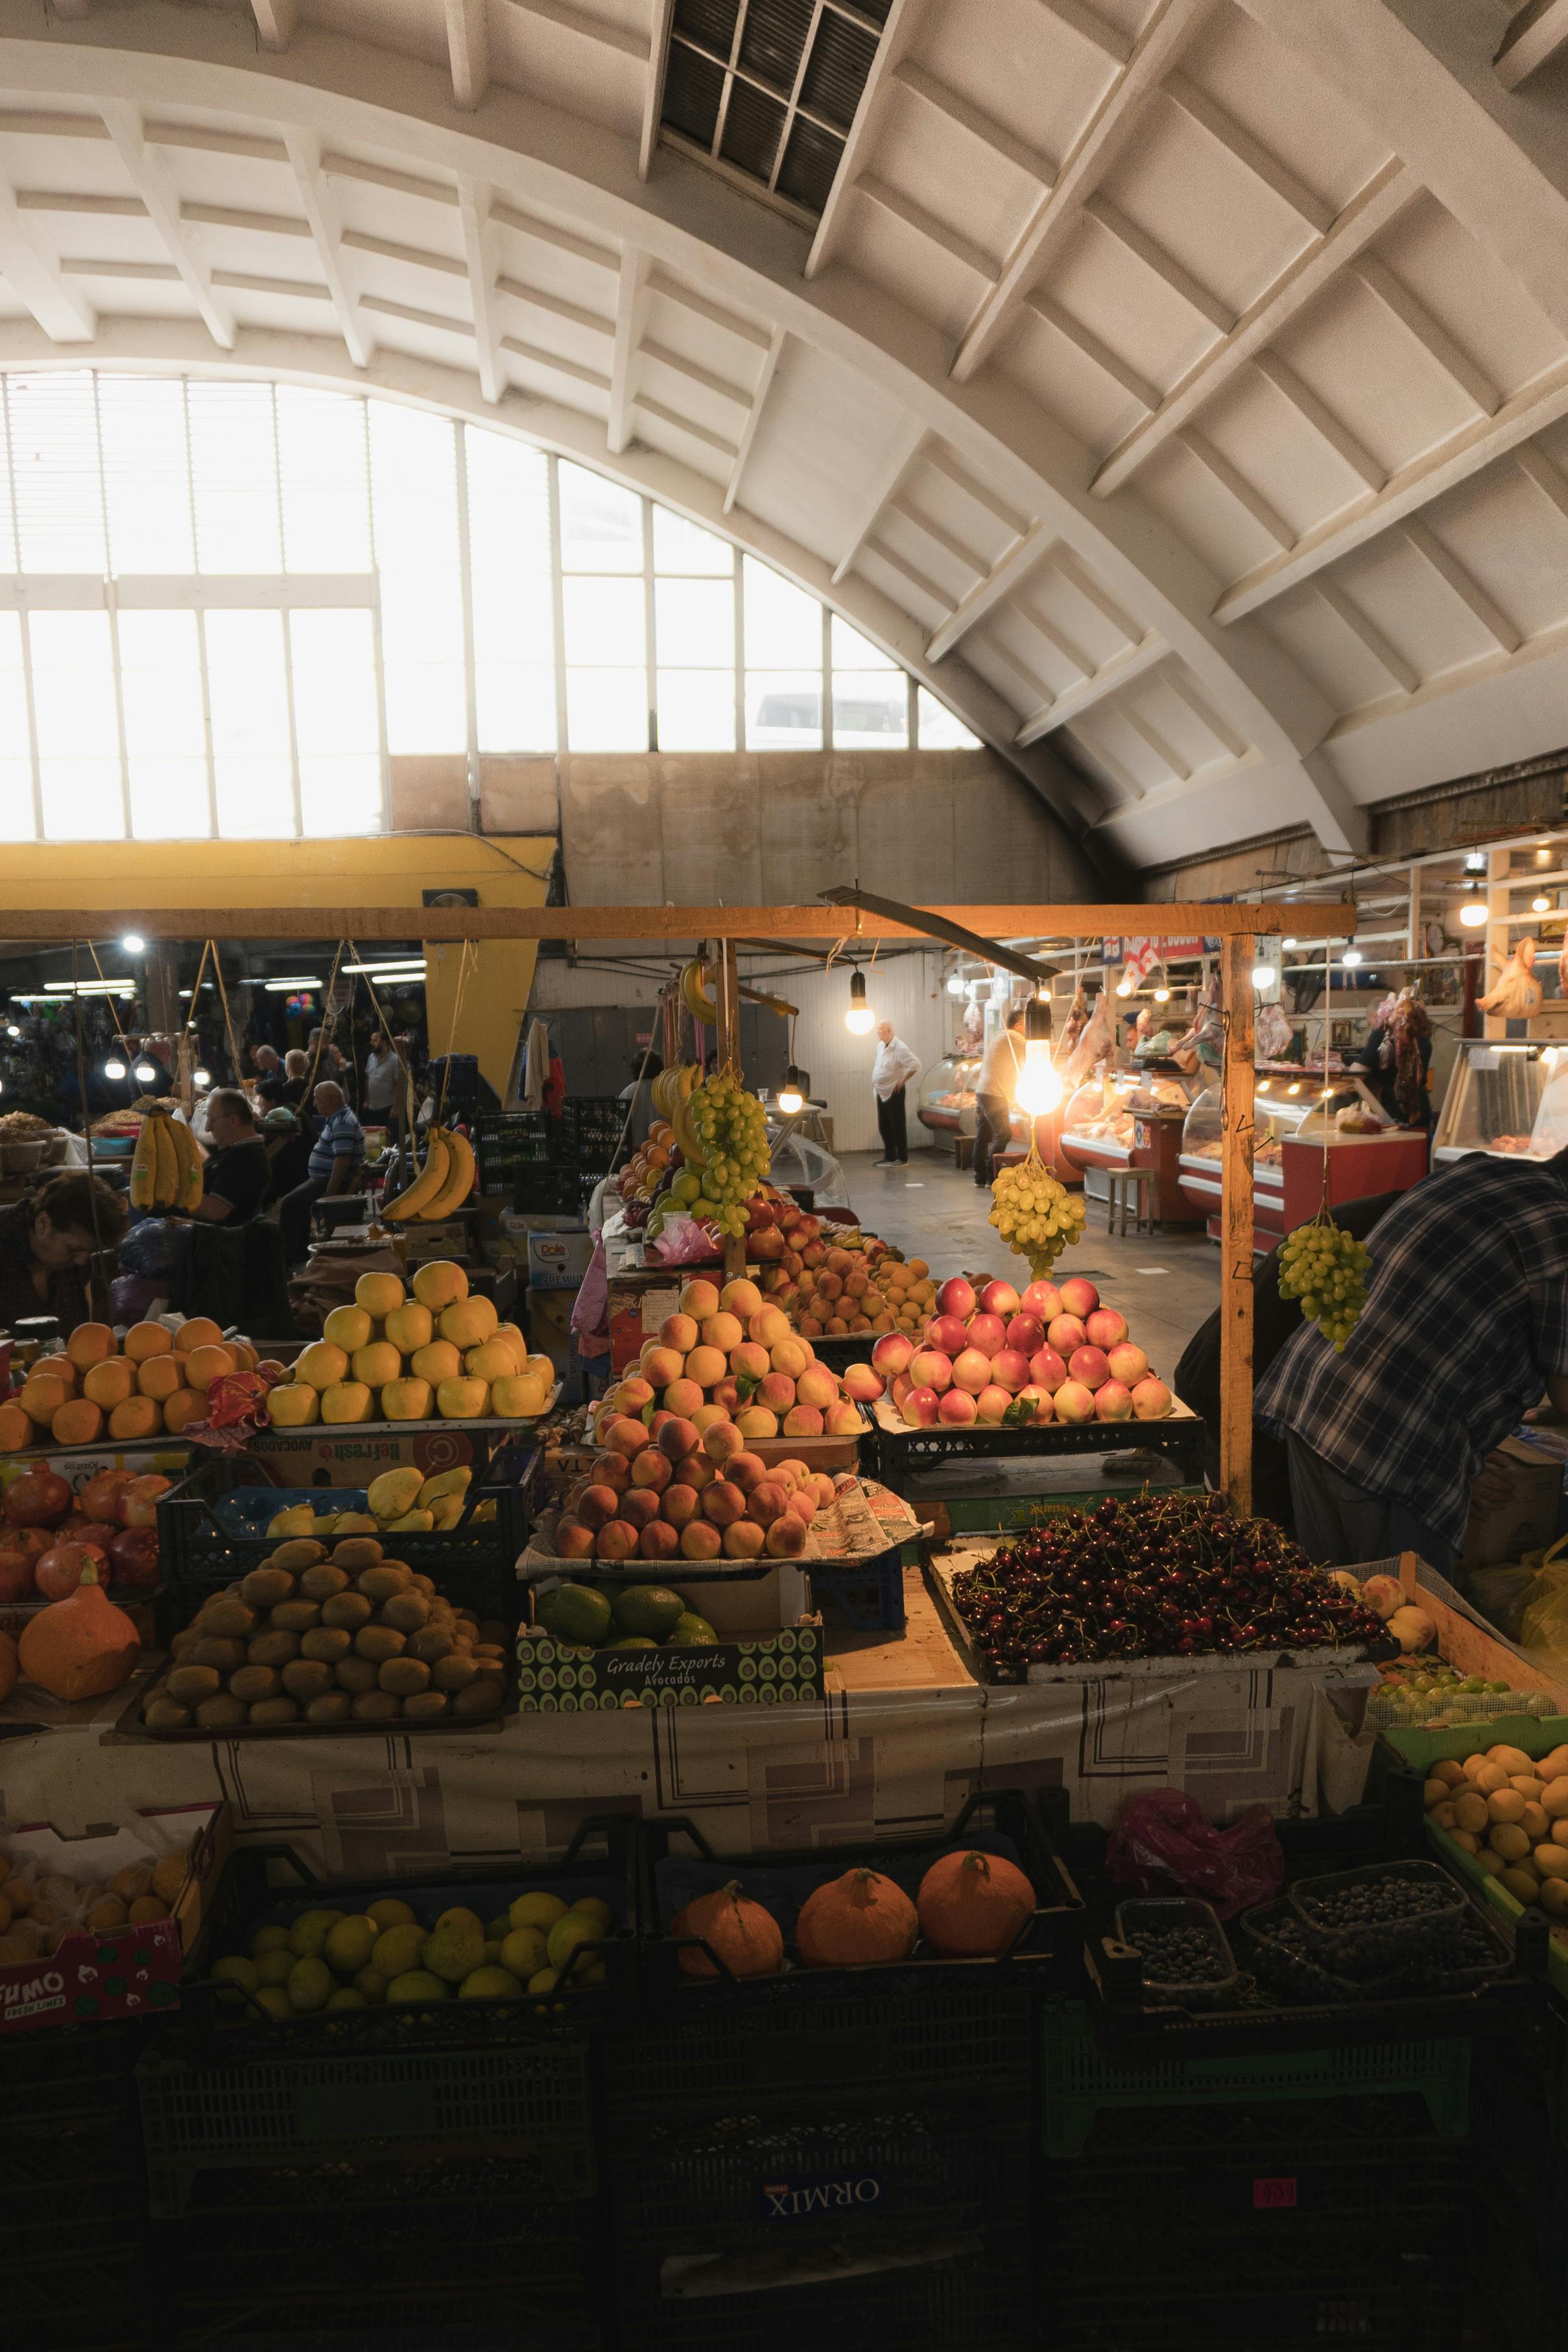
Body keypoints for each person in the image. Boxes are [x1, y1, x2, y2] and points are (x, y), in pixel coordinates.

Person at [1256, 1150, 1568, 1574]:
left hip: (1316, 1400)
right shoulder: (1559, 1226)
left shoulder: (1482, 1167)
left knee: (1337, 1609)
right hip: (1390, 1444)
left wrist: (1463, 1454)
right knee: (1402, 1624)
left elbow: (1448, 1319)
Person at [1175, 1192, 1401, 1526]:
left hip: (1230, 1369)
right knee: (1257, 1524)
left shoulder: (1365, 1219)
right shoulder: (1380, 1233)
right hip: (1232, 1381)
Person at [0, 1172, 127, 1335]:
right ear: (43, 1223)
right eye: (74, 1250)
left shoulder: (77, 1261)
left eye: (90, 1252)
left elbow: (82, 1335)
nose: (82, 1261)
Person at [278, 1080, 364, 1266]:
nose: (315, 1104)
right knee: (296, 1203)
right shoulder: (336, 1118)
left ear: (327, 1099)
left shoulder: (342, 1122)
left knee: (289, 1203)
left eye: (317, 1099)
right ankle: (299, 1254)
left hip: (331, 1180)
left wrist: (330, 1193)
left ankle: (287, 1258)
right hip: (322, 1177)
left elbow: (342, 1160)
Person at [190, 1089, 271, 1225]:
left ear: (233, 1121)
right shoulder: (236, 1149)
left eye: (212, 1119)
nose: (208, 1128)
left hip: (213, 1238)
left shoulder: (245, 1159)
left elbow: (215, 1211)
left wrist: (173, 1194)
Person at [972, 1008, 1024, 1187]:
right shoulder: (1014, 1035)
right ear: (1018, 1025)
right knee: (1004, 1133)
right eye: (1026, 1025)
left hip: (984, 1090)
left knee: (984, 1134)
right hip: (994, 1093)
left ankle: (979, 1178)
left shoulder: (999, 1036)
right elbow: (1037, 1046)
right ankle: (990, 1176)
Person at [870, 1022, 920, 1168]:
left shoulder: (900, 1047)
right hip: (882, 1091)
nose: (877, 1032)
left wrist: (903, 1080)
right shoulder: (880, 1046)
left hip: (894, 1090)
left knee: (897, 1125)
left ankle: (902, 1157)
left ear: (889, 1031)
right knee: (884, 1125)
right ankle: (889, 1156)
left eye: (879, 1030)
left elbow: (915, 1064)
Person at [618, 1049, 663, 1156]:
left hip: (635, 1156)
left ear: (634, 1070)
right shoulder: (665, 1092)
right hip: (662, 1154)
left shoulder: (626, 1092)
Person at [362, 1030, 404, 1141]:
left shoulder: (394, 1060)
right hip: (372, 1108)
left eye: (375, 1040)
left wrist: (395, 1107)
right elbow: (368, 1080)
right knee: (375, 1141)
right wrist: (367, 1100)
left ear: (384, 1042)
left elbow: (399, 1085)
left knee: (390, 1139)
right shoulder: (371, 1057)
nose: (373, 1043)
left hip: (387, 1108)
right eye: (372, 1041)